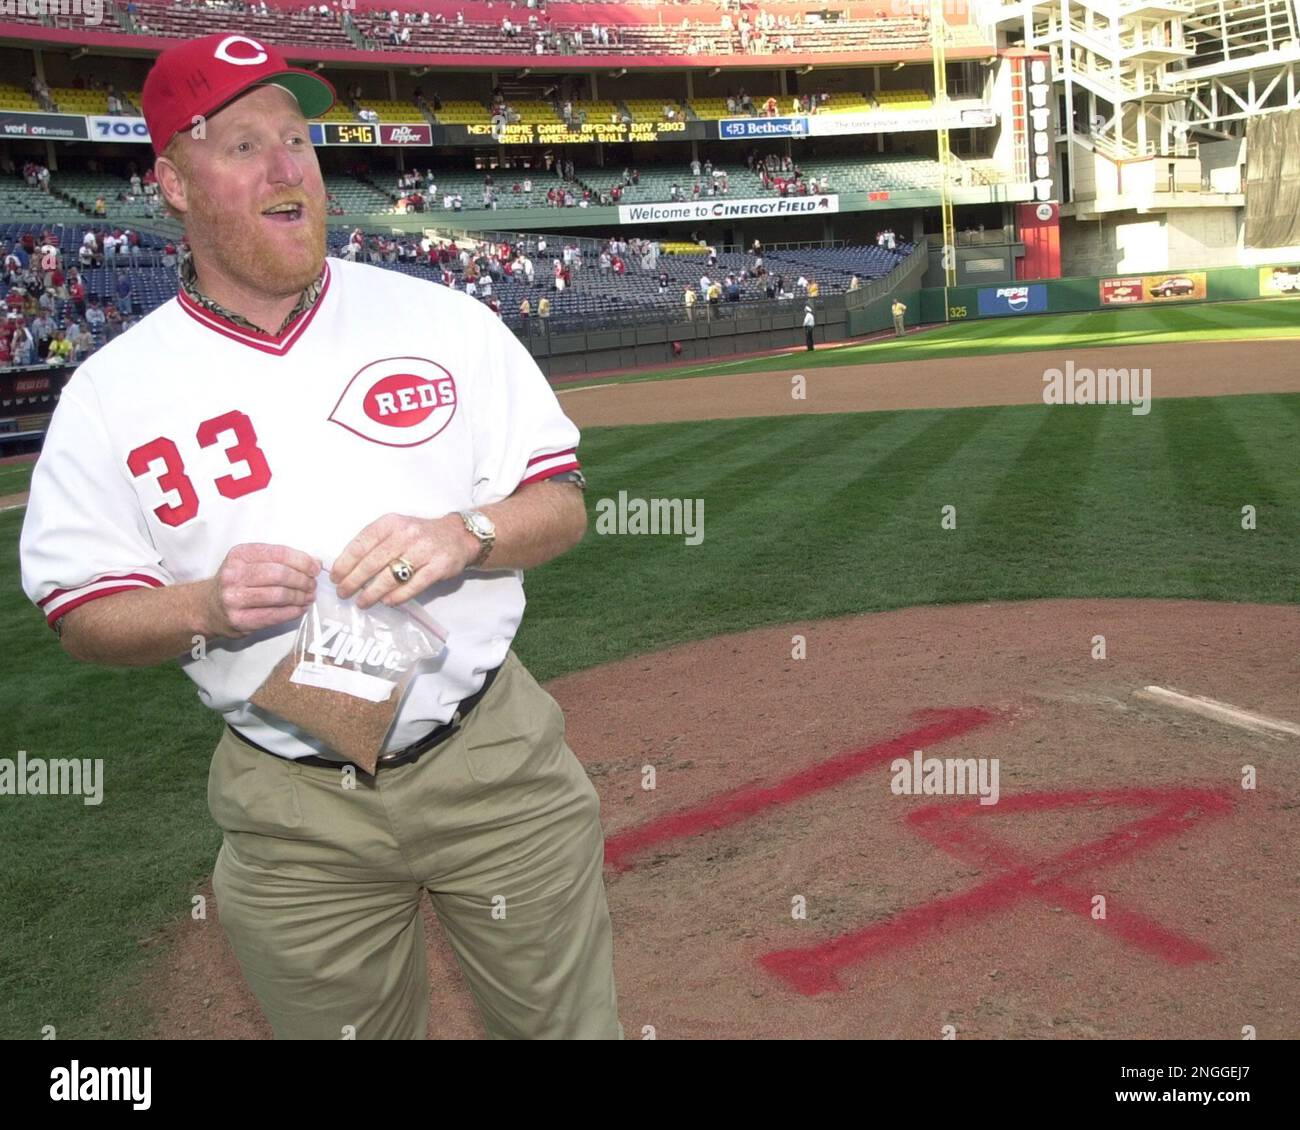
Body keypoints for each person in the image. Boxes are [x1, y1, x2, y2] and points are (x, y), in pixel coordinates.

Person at [20, 32, 620, 1043]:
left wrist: (467, 530)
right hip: (290, 808)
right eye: (243, 143)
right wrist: (203, 606)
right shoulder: (109, 393)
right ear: (170, 180)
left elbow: (559, 500)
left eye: (298, 139)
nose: (286, 165)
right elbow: (82, 612)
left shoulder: (442, 320)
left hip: (492, 760)